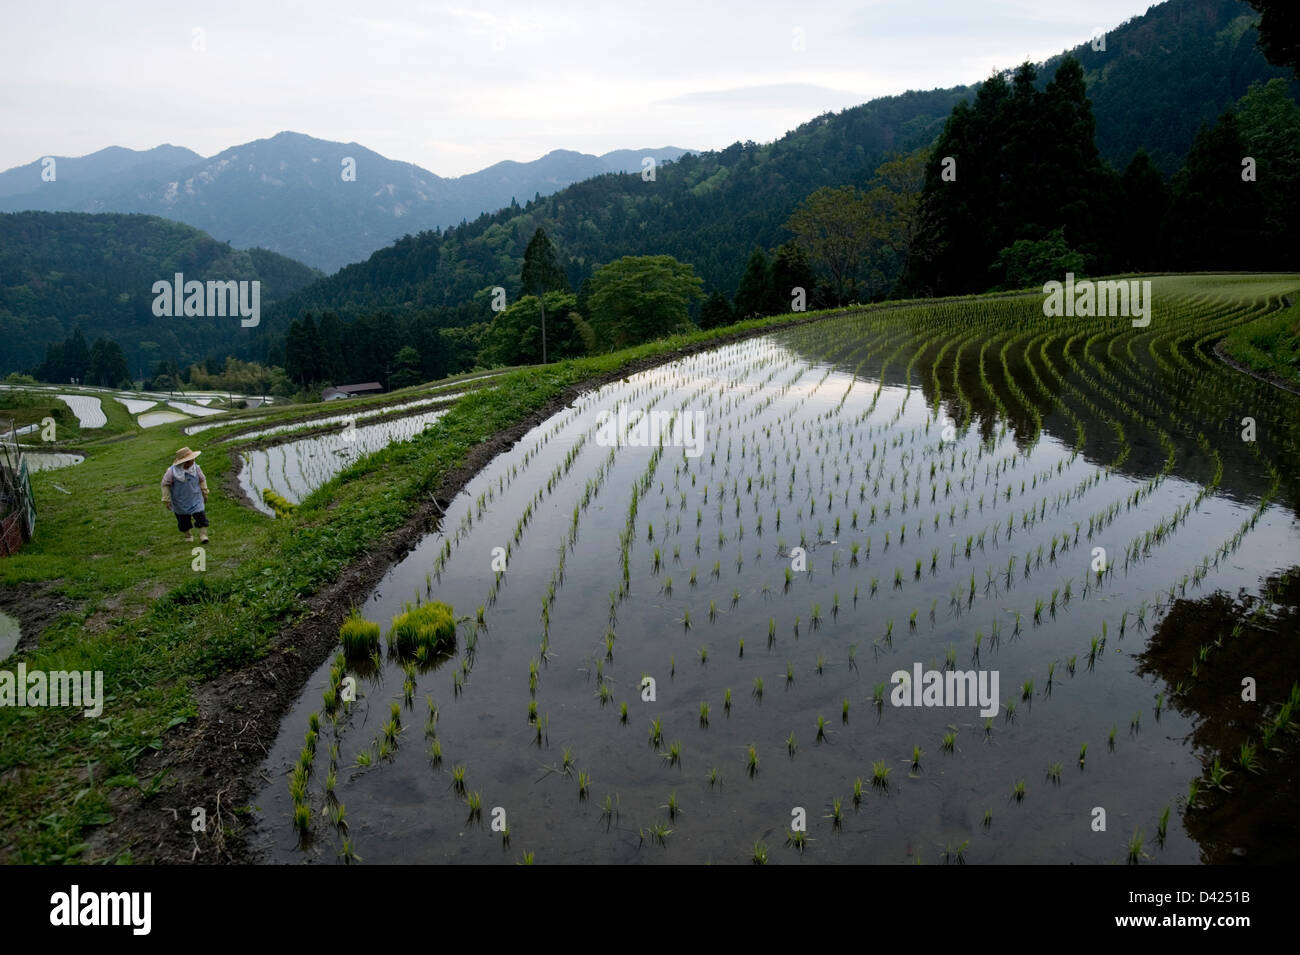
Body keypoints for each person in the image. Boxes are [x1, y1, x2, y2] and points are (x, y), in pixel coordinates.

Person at [161, 447, 210, 543]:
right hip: (180, 500)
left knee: (200, 515)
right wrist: (166, 499)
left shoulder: (196, 468)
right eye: (189, 460)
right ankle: (188, 535)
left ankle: (203, 535)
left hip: (195, 497)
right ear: (183, 462)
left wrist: (205, 492)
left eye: (192, 460)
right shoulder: (172, 472)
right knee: (183, 519)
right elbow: (165, 485)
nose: (192, 462)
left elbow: (202, 480)